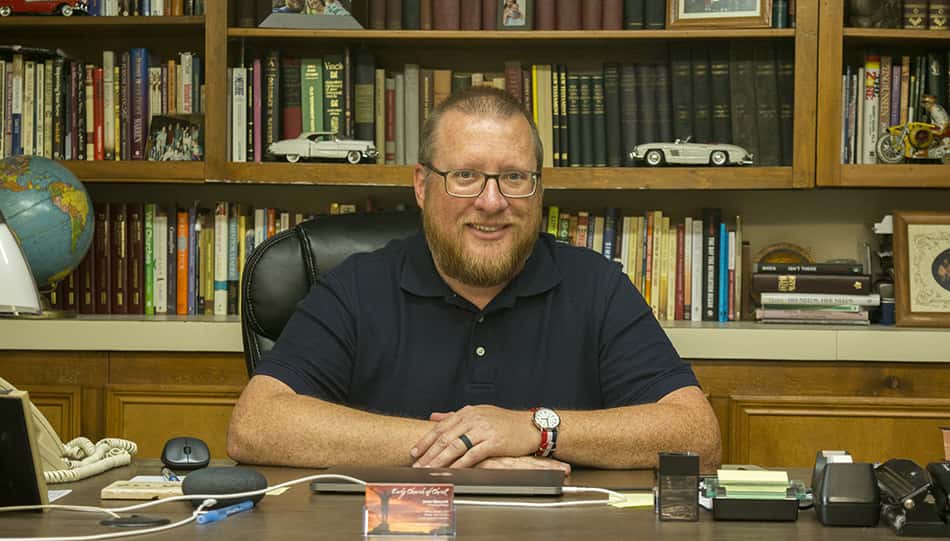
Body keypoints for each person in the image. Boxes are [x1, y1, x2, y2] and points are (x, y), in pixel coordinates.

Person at [227, 87, 722, 474]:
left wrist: (535, 430)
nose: (491, 202)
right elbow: (256, 425)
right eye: (465, 175)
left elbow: (696, 435)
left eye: (513, 177)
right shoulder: (357, 286)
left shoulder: (596, 285)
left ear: (538, 187)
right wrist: (469, 447)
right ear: (422, 186)